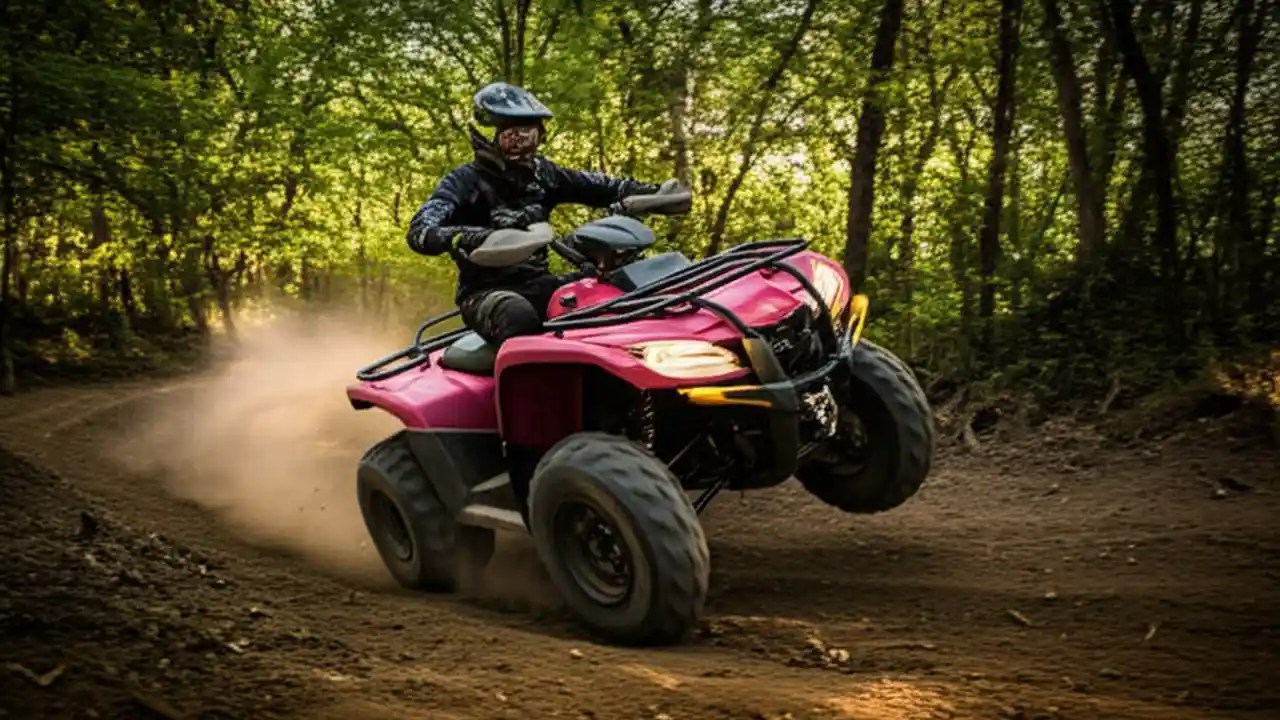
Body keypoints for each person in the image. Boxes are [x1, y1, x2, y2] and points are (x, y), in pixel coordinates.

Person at [407, 82, 664, 345]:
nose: (521, 147)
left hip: (539, 283)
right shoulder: (464, 181)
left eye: (528, 136)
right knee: (517, 315)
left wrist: (653, 192)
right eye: (512, 137)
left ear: (540, 136)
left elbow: (599, 187)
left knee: (611, 290)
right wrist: (465, 237)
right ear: (490, 138)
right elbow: (421, 229)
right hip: (485, 294)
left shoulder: (544, 175)